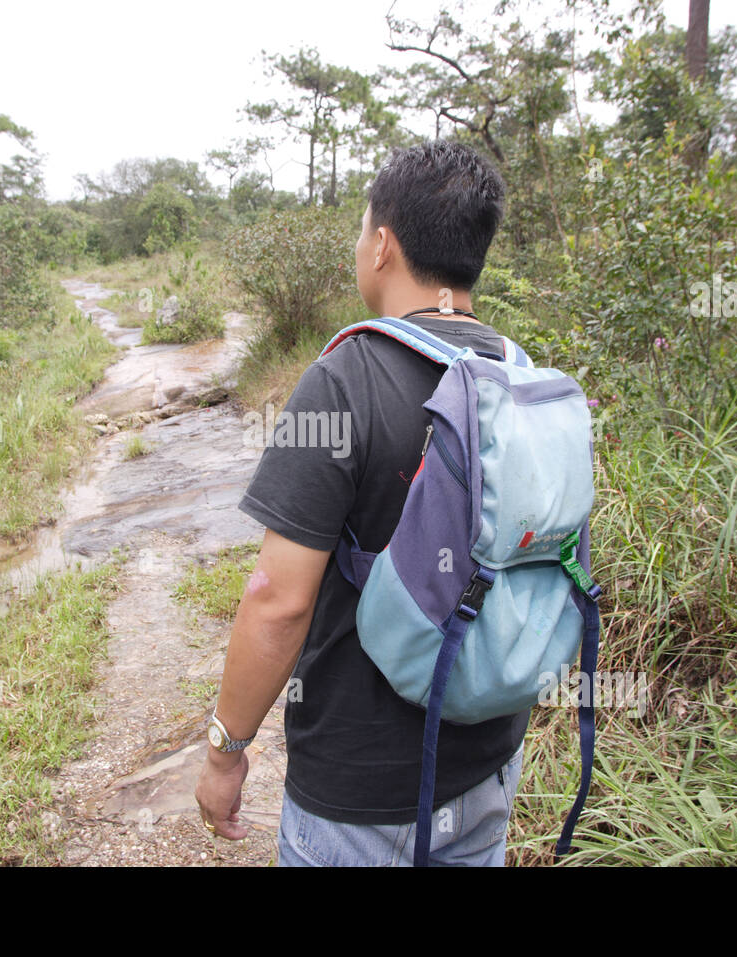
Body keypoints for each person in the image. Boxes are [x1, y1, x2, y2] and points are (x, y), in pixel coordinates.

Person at [194, 140, 529, 866]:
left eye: (360, 231)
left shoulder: (344, 379)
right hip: (488, 762)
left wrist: (227, 748)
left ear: (382, 245)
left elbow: (276, 599)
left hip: (358, 795)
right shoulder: (518, 372)